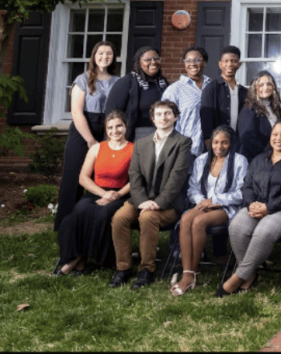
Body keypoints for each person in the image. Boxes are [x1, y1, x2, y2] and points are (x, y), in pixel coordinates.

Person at [221, 117, 281, 295]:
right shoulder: (259, 159)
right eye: (275, 134)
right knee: (237, 226)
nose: (279, 138)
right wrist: (251, 204)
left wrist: (269, 207)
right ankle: (250, 273)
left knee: (263, 231)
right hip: (256, 207)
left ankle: (238, 278)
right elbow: (247, 185)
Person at [109, 100, 192, 289]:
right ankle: (123, 268)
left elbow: (177, 179)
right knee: (120, 218)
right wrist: (142, 201)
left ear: (175, 117)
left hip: (168, 204)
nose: (163, 117)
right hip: (140, 200)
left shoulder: (183, 142)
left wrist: (158, 203)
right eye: (159, 114)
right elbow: (134, 175)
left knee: (147, 218)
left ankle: (146, 270)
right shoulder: (141, 143)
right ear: (153, 119)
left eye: (168, 113)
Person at [172, 125, 248, 296]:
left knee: (198, 221)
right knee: (185, 219)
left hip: (227, 207)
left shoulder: (239, 161)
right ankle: (188, 274)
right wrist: (203, 202)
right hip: (203, 205)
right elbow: (192, 189)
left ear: (231, 143)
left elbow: (241, 193)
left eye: (224, 143)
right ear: (210, 142)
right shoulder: (202, 160)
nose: (219, 147)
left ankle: (191, 272)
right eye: (215, 142)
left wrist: (214, 201)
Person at [55, 110, 132, 275]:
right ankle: (78, 261)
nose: (115, 130)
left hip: (119, 195)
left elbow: (136, 180)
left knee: (102, 216)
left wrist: (115, 195)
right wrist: (103, 194)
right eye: (110, 127)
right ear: (106, 130)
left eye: (119, 126)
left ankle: (75, 261)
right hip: (96, 193)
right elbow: (83, 178)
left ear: (126, 127)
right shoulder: (97, 148)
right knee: (72, 218)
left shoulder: (134, 149)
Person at [55, 41, 118, 231]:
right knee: (73, 177)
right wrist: (91, 141)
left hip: (108, 129)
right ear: (94, 56)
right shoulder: (82, 79)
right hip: (83, 130)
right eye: (100, 53)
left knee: (102, 177)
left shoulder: (118, 81)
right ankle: (65, 225)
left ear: (113, 57)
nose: (104, 57)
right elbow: (76, 112)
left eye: (109, 53)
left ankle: (94, 223)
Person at [105, 46, 170, 141]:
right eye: (148, 59)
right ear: (139, 62)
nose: (153, 62)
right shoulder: (127, 82)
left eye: (156, 59)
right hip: (137, 134)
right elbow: (112, 112)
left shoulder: (163, 83)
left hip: (163, 133)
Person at [164, 46, 212, 160]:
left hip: (211, 147)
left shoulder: (213, 87)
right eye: (188, 61)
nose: (193, 64)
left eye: (197, 60)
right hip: (185, 148)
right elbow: (164, 119)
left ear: (204, 62)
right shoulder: (175, 89)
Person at [200, 46, 248, 147]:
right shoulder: (211, 89)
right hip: (218, 144)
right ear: (220, 64)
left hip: (238, 143)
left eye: (234, 61)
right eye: (226, 61)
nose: (229, 64)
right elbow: (206, 118)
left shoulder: (244, 92)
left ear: (239, 64)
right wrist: (209, 142)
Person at [237, 71, 281, 161]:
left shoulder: (276, 109)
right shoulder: (249, 109)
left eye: (268, 84)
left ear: (273, 86)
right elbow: (247, 138)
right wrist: (267, 153)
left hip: (274, 158)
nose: (265, 88)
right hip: (256, 160)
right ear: (254, 88)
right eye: (261, 85)